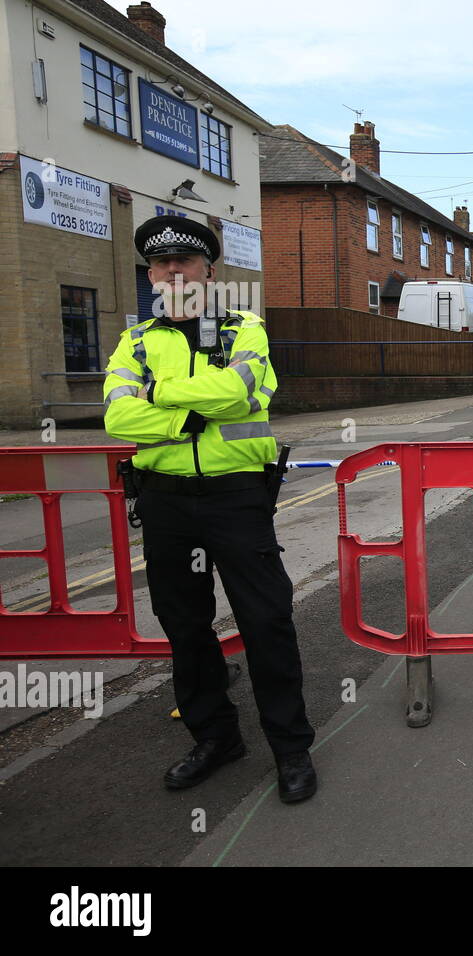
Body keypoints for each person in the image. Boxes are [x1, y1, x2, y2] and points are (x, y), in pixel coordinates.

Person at [103, 215, 317, 801]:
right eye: (163, 263)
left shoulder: (243, 327)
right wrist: (189, 416)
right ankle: (216, 738)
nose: (175, 270)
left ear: (208, 272)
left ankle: (290, 746)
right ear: (151, 273)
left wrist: (159, 396)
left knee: (266, 618)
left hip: (237, 497)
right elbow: (118, 418)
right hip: (166, 500)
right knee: (185, 626)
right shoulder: (136, 340)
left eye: (187, 262)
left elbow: (239, 392)